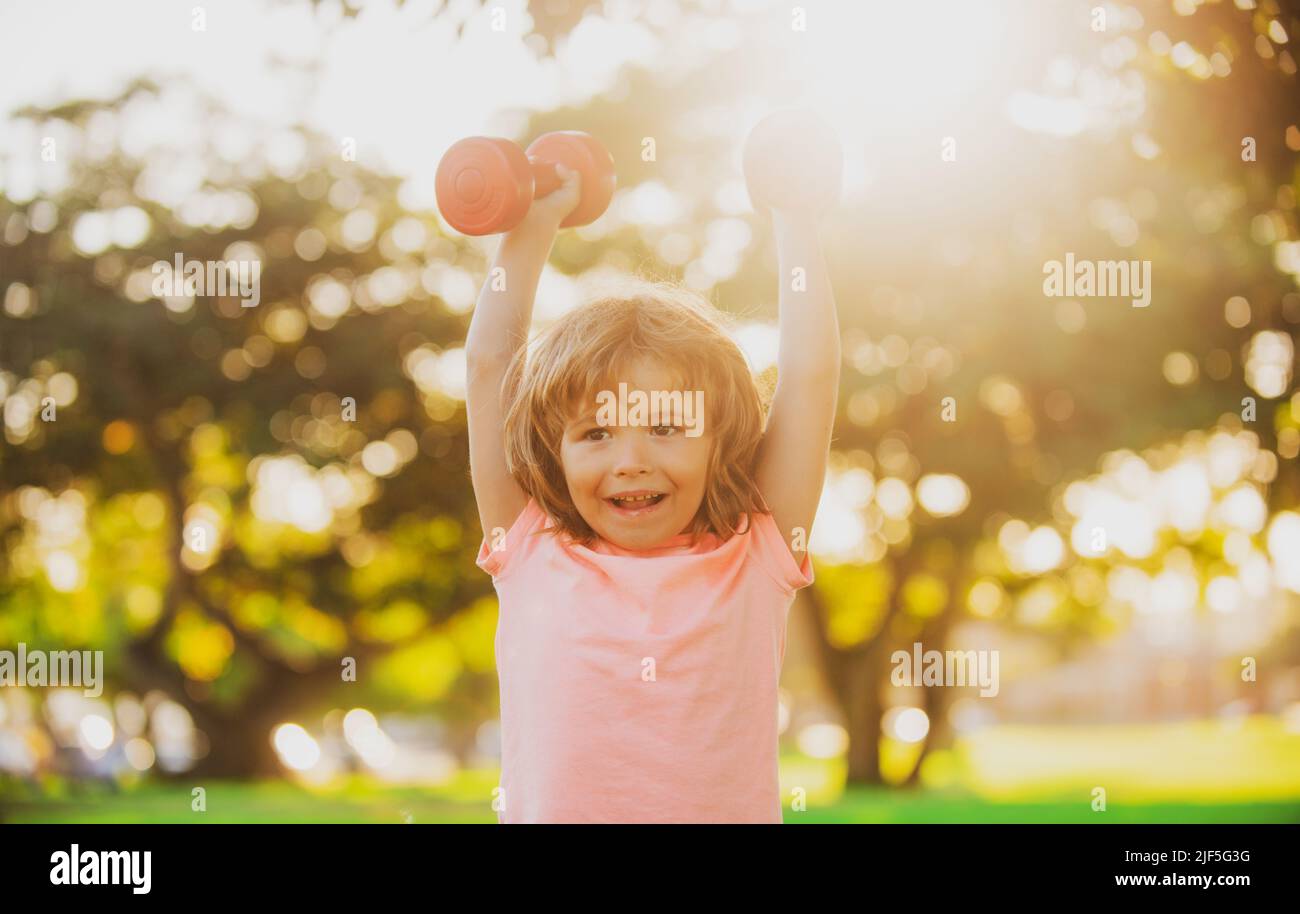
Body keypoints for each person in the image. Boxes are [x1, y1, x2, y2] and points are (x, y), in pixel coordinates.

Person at [465, 160, 840, 823]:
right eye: (596, 433)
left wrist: (794, 211)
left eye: (666, 426)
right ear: (555, 448)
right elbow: (490, 362)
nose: (631, 461)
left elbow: (809, 375)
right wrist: (536, 220)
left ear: (718, 438)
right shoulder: (528, 546)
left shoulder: (755, 552)